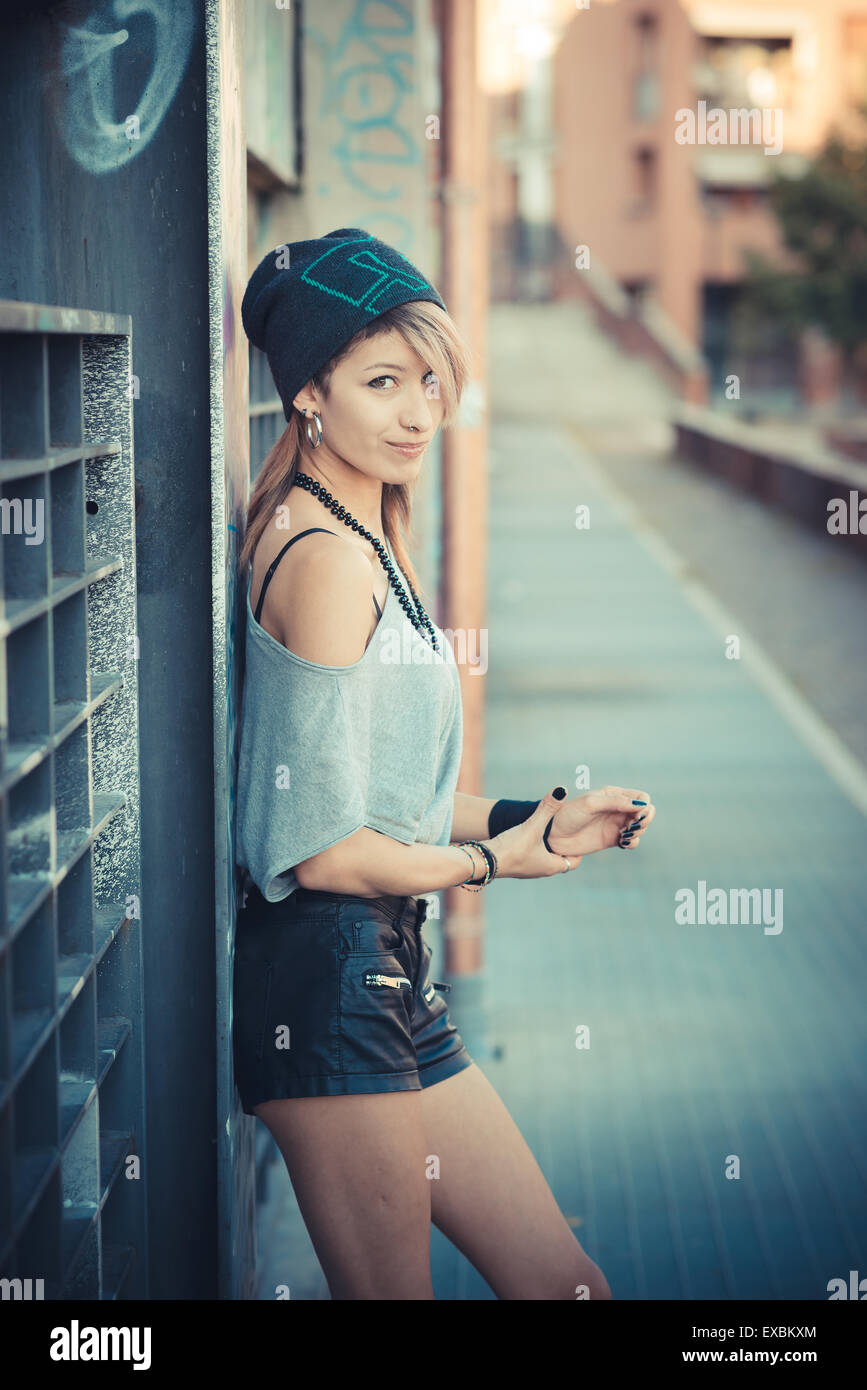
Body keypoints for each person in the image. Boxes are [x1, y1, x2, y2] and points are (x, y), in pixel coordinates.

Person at [233, 228, 656, 1300]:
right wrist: (490, 866)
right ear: (309, 396)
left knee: (568, 1285)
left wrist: (531, 816)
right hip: (325, 989)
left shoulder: (366, 530)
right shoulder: (326, 560)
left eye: (431, 379)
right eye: (383, 381)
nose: (421, 409)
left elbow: (387, 797)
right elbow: (323, 847)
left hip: (385, 978)